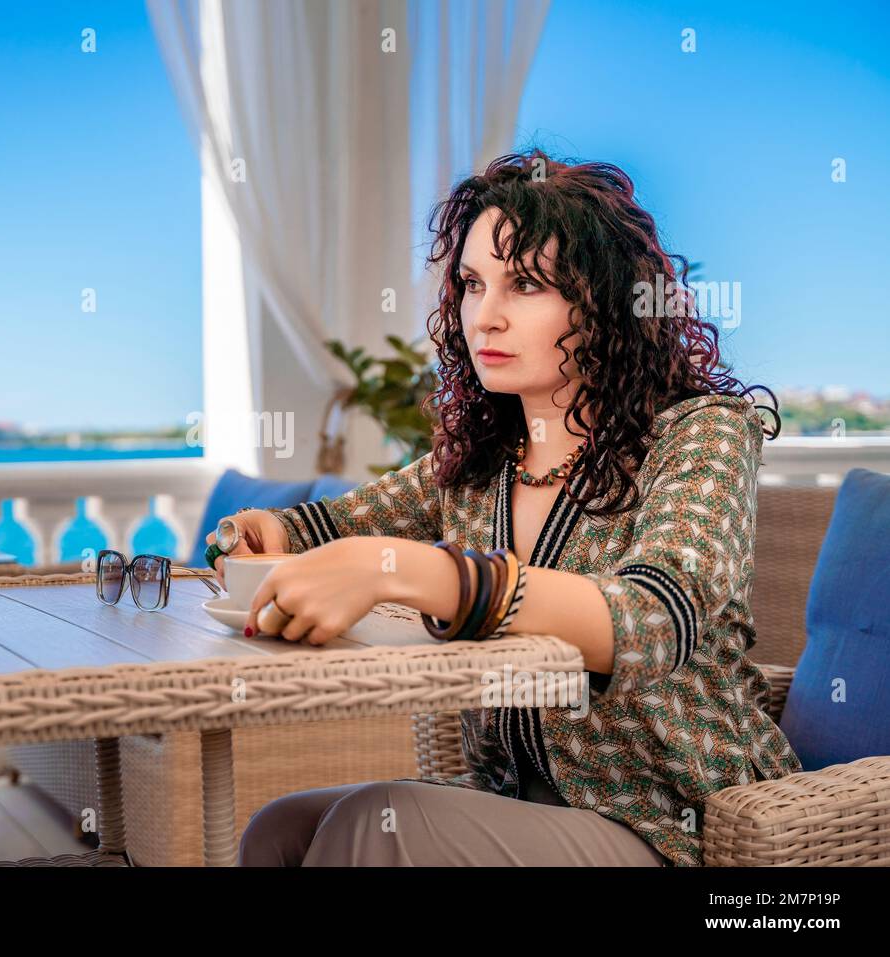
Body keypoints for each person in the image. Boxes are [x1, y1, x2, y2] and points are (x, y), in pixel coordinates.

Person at [205, 149, 803, 867]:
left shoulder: (698, 431)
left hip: (676, 827)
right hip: (515, 804)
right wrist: (259, 531)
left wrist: (430, 575)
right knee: (280, 829)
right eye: (470, 283)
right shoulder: (482, 463)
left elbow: (656, 617)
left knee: (375, 821)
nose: (482, 316)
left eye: (523, 284)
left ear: (605, 298)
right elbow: (322, 528)